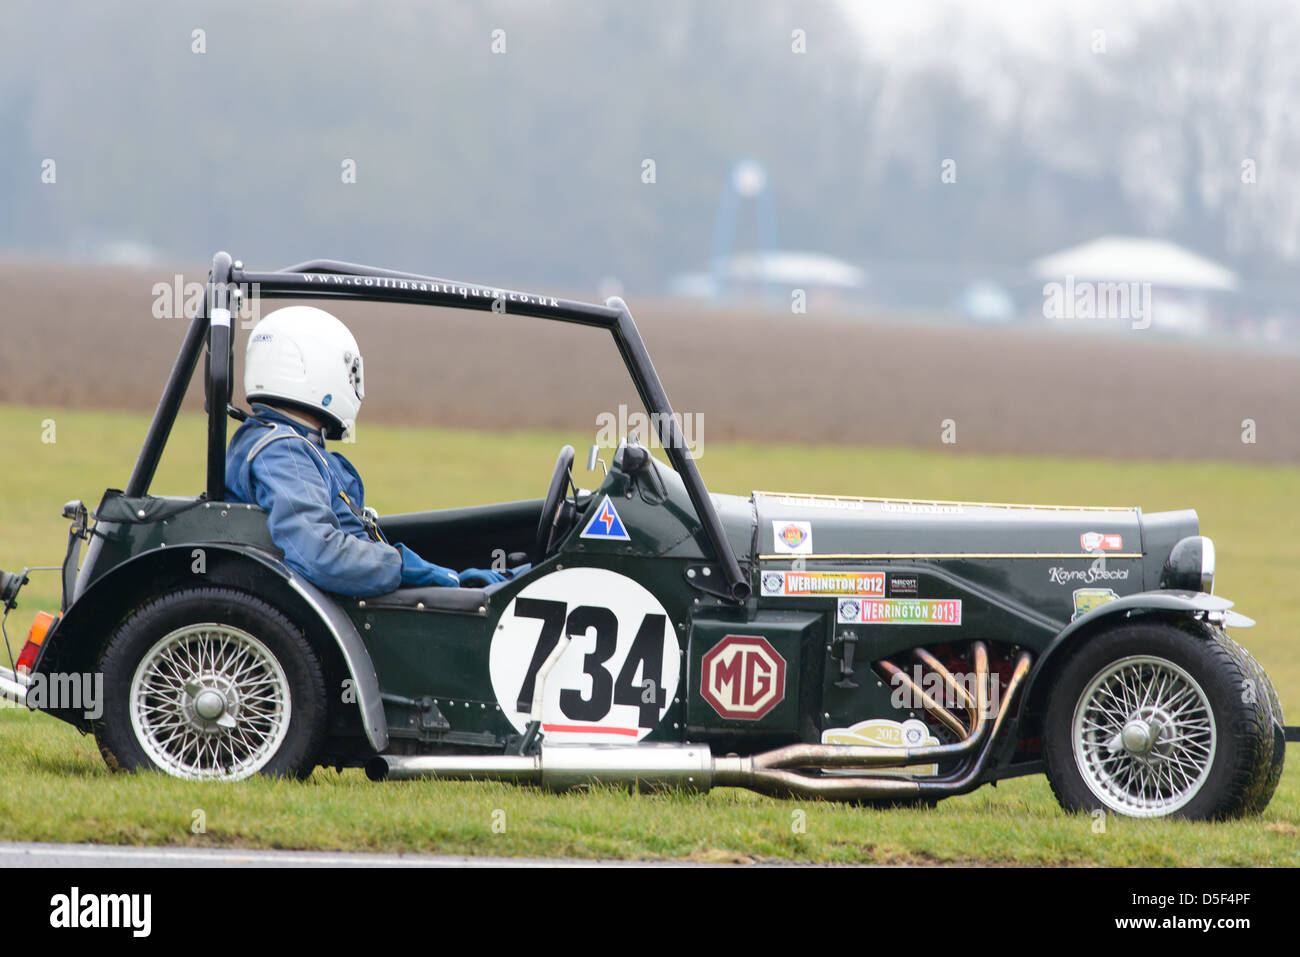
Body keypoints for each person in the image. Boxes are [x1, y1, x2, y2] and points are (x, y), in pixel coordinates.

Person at [225, 305, 507, 597]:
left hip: (355, 592)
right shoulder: (282, 452)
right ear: (317, 368)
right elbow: (321, 553)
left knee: (490, 579)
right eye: (351, 371)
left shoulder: (281, 443)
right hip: (348, 607)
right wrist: (408, 568)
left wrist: (447, 576)